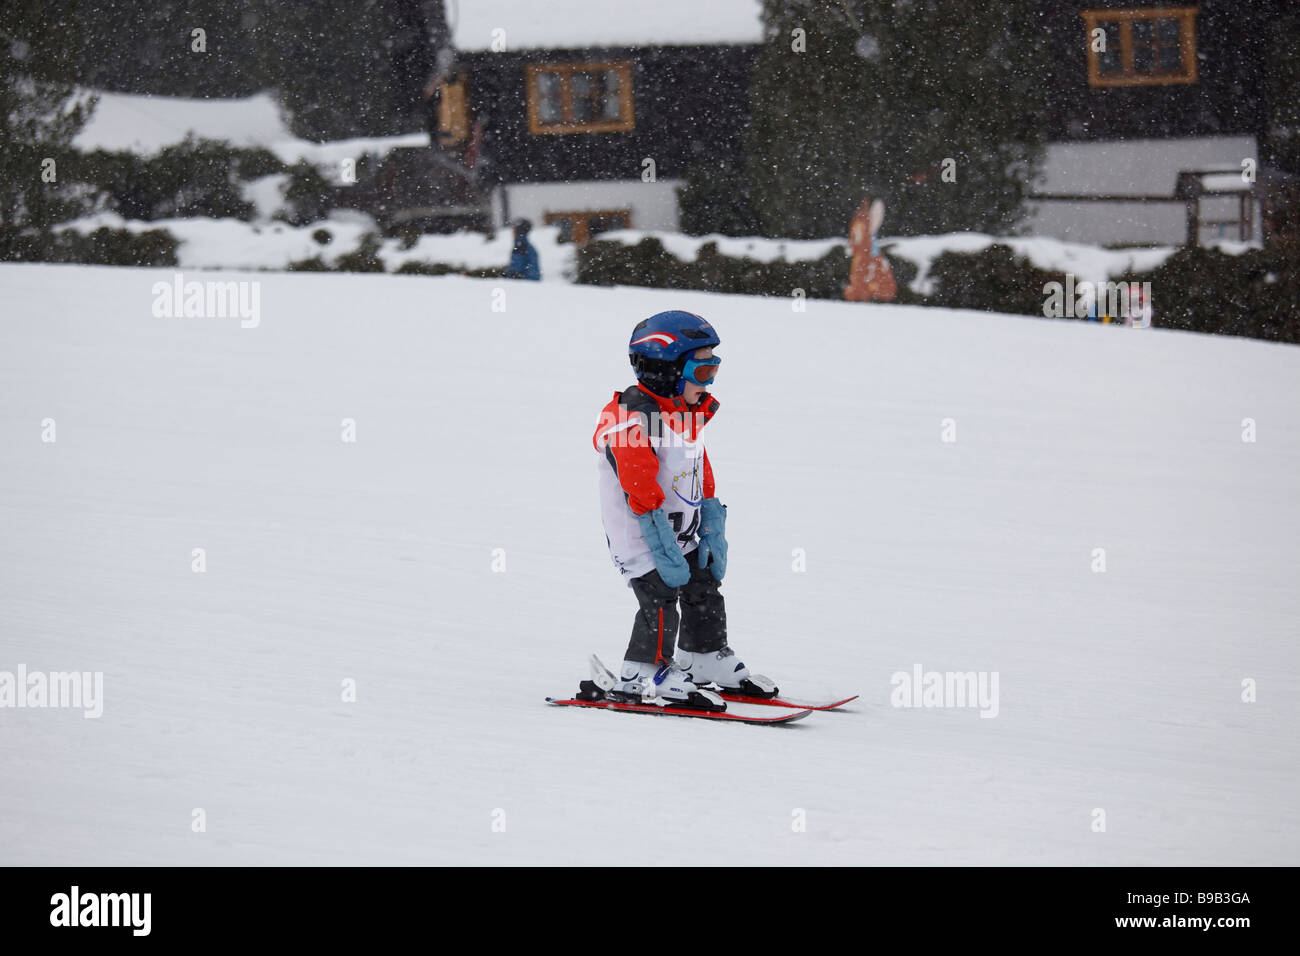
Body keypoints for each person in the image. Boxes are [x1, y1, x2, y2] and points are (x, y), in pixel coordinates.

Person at [591, 310, 775, 708]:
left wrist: (710, 515)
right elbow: (639, 485)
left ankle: (705, 656)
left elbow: (697, 464)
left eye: (714, 369)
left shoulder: (683, 414)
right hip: (645, 537)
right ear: (665, 368)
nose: (710, 382)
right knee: (659, 598)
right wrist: (661, 543)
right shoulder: (633, 422)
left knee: (703, 588)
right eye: (704, 371)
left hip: (684, 532)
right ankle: (643, 670)